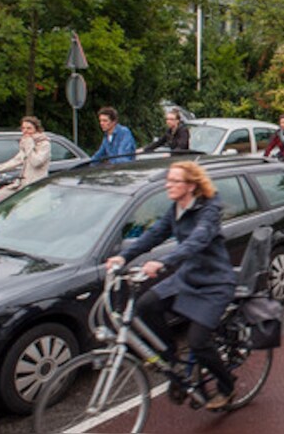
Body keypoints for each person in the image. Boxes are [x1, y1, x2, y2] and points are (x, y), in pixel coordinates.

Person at [104, 161, 237, 409]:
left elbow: (197, 240)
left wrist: (163, 262)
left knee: (198, 341)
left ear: (191, 185)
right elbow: (154, 234)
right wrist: (123, 257)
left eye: (175, 181)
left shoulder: (209, 209)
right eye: (168, 180)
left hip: (214, 282)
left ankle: (227, 386)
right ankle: (172, 359)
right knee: (145, 306)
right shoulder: (175, 208)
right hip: (187, 277)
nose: (168, 185)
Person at [0, 116, 51, 207]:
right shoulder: (26, 142)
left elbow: (36, 162)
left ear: (36, 129)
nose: (25, 131)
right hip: (20, 184)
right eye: (23, 128)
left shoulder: (44, 144)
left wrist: (29, 146)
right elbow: (15, 161)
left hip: (34, 185)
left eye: (29, 128)